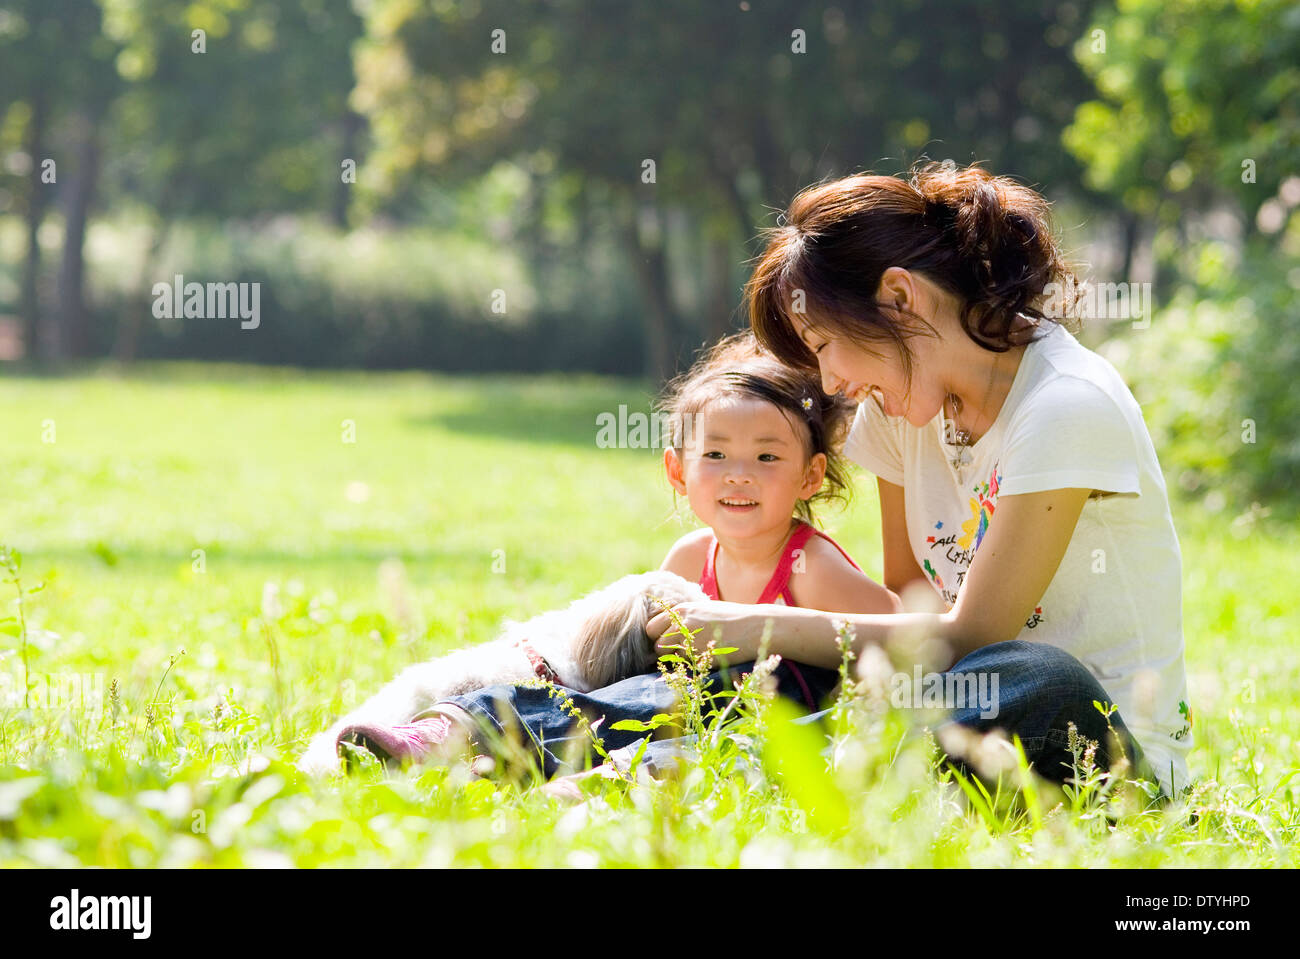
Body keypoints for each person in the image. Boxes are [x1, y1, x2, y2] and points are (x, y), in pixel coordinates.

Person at [643, 160, 1192, 798]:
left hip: (1090, 746)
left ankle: (695, 770)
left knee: (1036, 675)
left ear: (900, 298)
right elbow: (913, 607)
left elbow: (971, 635)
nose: (829, 385)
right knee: (783, 670)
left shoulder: (1065, 403)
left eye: (824, 345)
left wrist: (754, 623)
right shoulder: (900, 412)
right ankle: (524, 722)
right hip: (946, 714)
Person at [334, 332, 899, 778]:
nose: (739, 475)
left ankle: (478, 743)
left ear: (810, 475)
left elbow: (902, 637)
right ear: (678, 471)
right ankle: (447, 736)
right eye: (717, 453)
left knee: (650, 700)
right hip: (668, 714)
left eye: (767, 458)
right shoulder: (689, 558)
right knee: (609, 699)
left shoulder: (811, 567)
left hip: (760, 721)